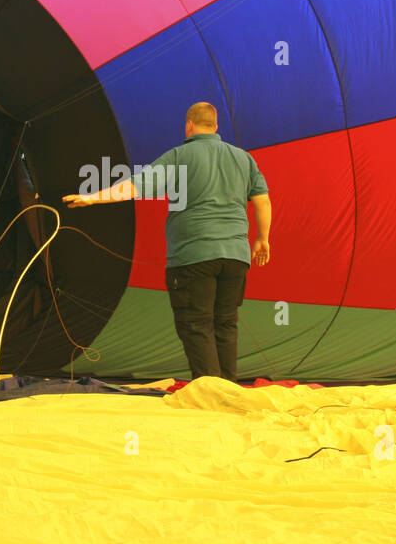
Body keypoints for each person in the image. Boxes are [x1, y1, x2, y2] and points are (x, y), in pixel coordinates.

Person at [63, 102, 271, 382]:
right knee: (226, 323)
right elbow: (262, 201)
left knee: (196, 324)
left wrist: (91, 197)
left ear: (189, 124)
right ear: (216, 126)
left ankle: (210, 393)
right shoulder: (244, 159)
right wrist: (262, 238)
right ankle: (227, 389)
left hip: (194, 256)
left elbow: (135, 186)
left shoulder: (179, 157)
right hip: (236, 255)